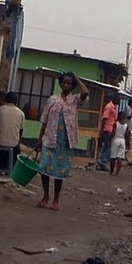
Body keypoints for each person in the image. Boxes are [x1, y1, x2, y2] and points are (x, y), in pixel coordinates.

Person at [36, 72, 85, 210]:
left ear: (72, 85)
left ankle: (56, 199)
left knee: (60, 171)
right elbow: (44, 120)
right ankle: (45, 196)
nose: (66, 85)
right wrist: (39, 139)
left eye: (69, 83)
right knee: (44, 166)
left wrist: (77, 78)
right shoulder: (52, 99)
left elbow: (85, 92)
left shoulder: (75, 100)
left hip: (65, 142)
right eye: (64, 82)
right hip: (49, 138)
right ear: (60, 83)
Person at [0, 91, 24, 175]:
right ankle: (10, 171)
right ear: (16, 101)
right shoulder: (21, 113)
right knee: (17, 150)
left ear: (6, 100)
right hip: (13, 144)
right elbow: (21, 130)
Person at [95, 96, 117, 170]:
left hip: (110, 129)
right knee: (106, 147)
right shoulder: (109, 107)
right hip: (107, 129)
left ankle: (102, 161)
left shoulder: (114, 107)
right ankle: (101, 161)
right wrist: (102, 130)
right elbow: (104, 118)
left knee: (107, 147)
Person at [108, 104, 130, 175]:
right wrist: (128, 143)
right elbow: (127, 136)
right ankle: (117, 172)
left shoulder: (116, 124)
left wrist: (109, 139)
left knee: (113, 157)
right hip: (122, 141)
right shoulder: (126, 126)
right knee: (120, 157)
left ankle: (111, 171)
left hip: (116, 140)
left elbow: (113, 133)